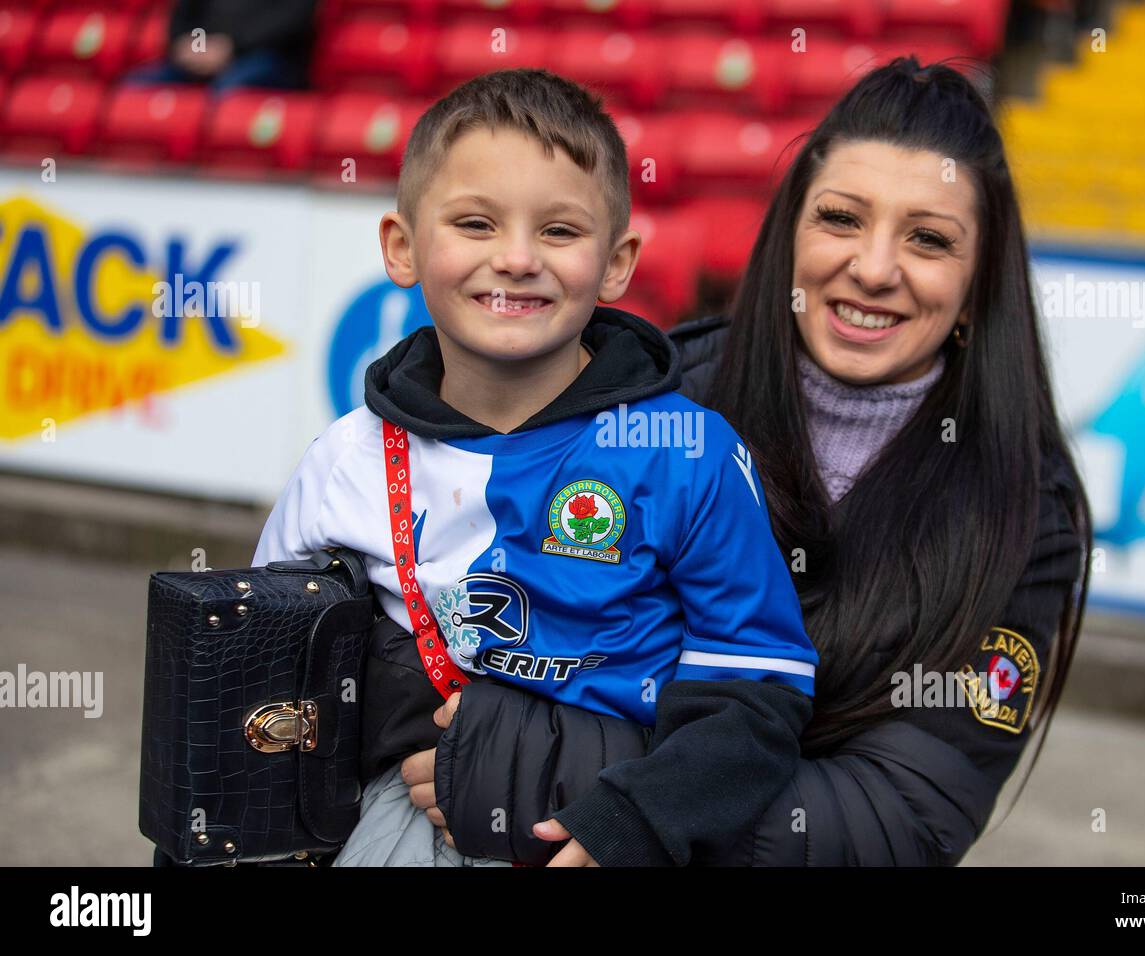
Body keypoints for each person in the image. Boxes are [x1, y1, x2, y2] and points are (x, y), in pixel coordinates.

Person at [405, 56, 1094, 865]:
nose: (873, 269)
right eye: (841, 219)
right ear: (789, 233)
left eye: (930, 239)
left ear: (978, 285)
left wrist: (573, 776)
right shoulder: (650, 402)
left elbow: (901, 821)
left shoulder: (1025, 510)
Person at [251, 68, 819, 868]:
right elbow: (263, 679)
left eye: (559, 231)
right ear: (403, 248)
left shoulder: (688, 453)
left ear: (617, 263)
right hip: (398, 810)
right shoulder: (345, 460)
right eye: (476, 224)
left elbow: (759, 699)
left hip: (611, 831)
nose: (517, 259)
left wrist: (631, 822)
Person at [125, 0, 316, 93]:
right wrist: (195, 47)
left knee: (227, 93)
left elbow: (292, 21)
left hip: (266, 59)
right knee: (135, 89)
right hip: (200, 58)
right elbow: (182, 19)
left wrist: (231, 47)